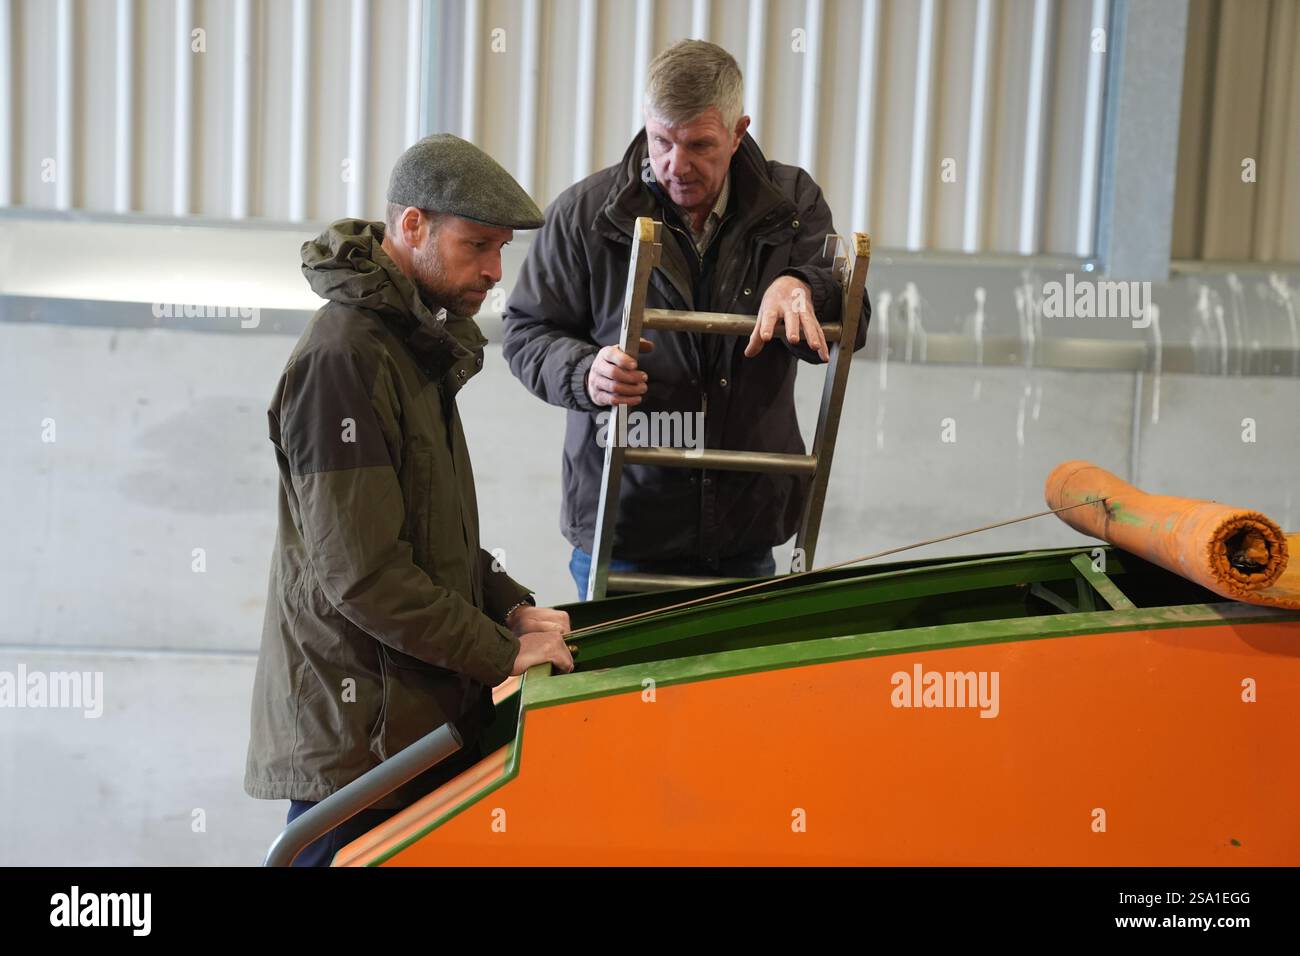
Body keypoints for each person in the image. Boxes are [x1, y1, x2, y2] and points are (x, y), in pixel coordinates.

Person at [244, 134, 574, 867]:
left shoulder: (409, 345)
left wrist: (508, 605)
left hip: (411, 726)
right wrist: (501, 653)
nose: (494, 270)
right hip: (363, 746)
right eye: (478, 244)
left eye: (502, 249)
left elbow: (428, 534)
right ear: (414, 225)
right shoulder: (345, 360)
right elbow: (365, 574)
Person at [503, 40, 871, 599]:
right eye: (662, 142)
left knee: (732, 688)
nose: (677, 165)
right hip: (622, 527)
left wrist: (804, 286)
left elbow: (855, 314)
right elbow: (527, 330)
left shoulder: (791, 204)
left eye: (700, 145)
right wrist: (584, 372)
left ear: (739, 131)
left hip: (744, 526)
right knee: (620, 687)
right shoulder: (585, 214)